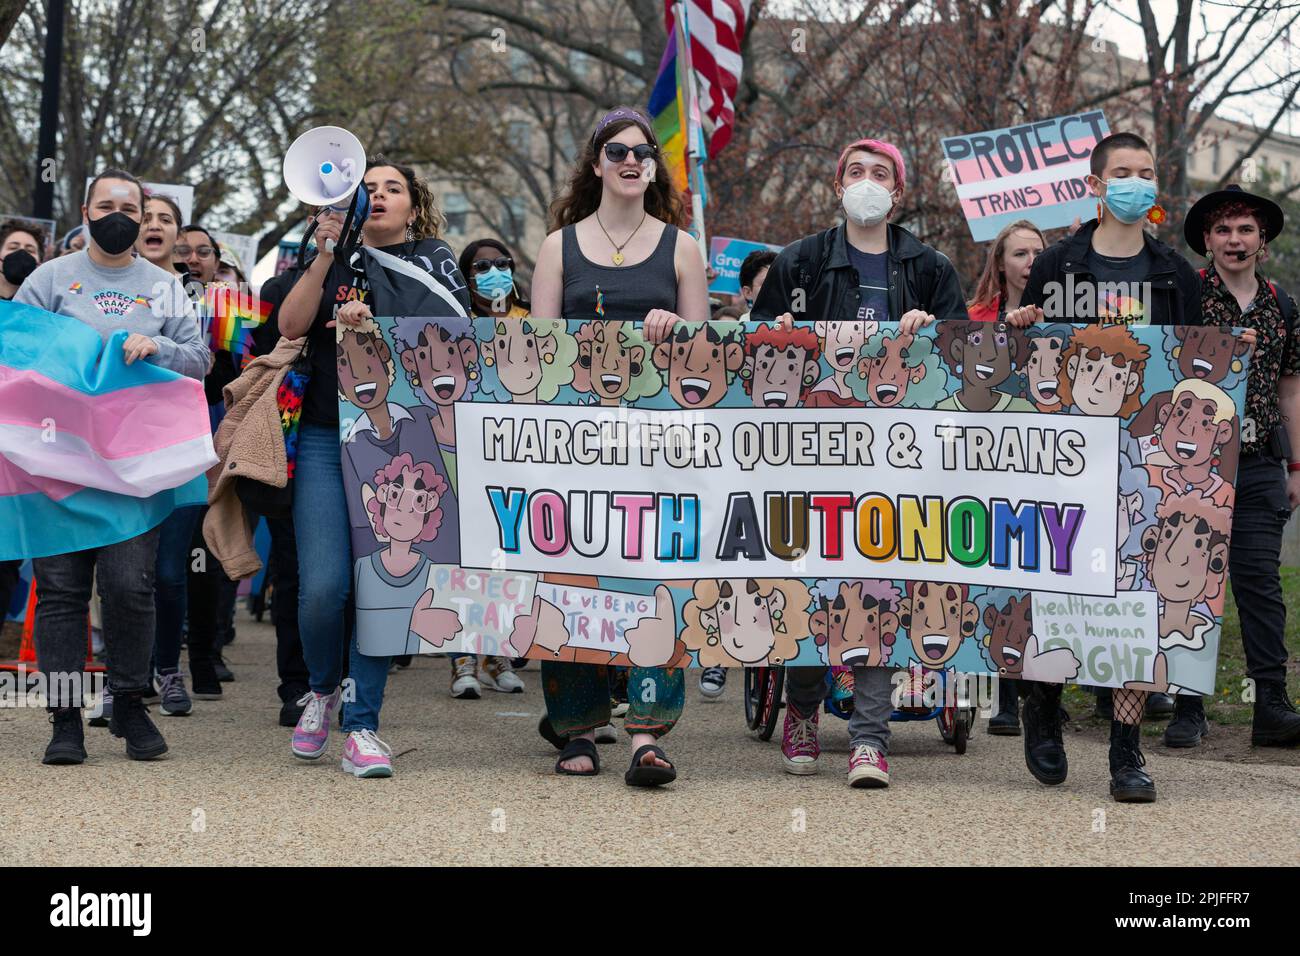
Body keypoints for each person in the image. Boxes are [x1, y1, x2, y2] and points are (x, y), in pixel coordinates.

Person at [750, 136, 962, 787]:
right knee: (813, 588)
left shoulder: (930, 268)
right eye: (855, 171)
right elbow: (760, 352)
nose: (867, 181)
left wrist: (930, 337)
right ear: (838, 184)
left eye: (880, 173)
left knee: (878, 594)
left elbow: (961, 364)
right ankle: (804, 712)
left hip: (898, 467)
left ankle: (870, 738)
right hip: (813, 463)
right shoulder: (801, 263)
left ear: (898, 191)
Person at [1011, 131, 1205, 802]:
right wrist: (1019, 326)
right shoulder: (1059, 264)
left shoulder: (1175, 274)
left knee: (1136, 603)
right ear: (1096, 185)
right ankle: (1043, 712)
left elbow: (1192, 366)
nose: (1135, 183)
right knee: (1056, 590)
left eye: (1146, 173)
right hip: (1063, 464)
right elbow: (1027, 359)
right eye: (1121, 172)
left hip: (1142, 467)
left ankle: (1126, 752)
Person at [274, 155, 470, 777]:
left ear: (414, 205)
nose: (381, 195)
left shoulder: (435, 259)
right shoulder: (332, 258)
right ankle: (322, 689)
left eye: (394, 188)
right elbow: (290, 324)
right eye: (370, 189)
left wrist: (380, 324)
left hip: (398, 449)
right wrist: (327, 254)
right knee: (323, 588)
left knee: (380, 588)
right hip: (328, 441)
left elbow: (455, 341)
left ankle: (362, 728)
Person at [529, 105, 709, 784]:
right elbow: (541, 355)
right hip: (574, 451)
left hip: (661, 450)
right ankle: (576, 727)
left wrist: (679, 331)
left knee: (656, 581)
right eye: (617, 151)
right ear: (597, 163)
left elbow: (705, 367)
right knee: (570, 575)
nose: (633, 161)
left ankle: (646, 733)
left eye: (643, 152)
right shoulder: (558, 247)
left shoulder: (682, 247)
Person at [13, 167, 208, 765]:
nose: (118, 214)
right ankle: (64, 719)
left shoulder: (167, 286)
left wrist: (161, 350)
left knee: (129, 587)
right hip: (57, 464)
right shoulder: (49, 279)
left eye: (130, 205)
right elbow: (11, 351)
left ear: (145, 213)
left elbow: (200, 361)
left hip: (131, 469)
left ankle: (128, 702)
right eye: (107, 204)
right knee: (62, 592)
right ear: (86, 209)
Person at [1165, 183, 1300, 748]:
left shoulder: (1283, 304)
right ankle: (1187, 707)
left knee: (1258, 583)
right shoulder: (1187, 296)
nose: (1235, 240)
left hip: (1262, 460)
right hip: (1197, 463)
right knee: (1192, 582)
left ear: (1262, 240)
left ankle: (1270, 702)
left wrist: (1296, 465)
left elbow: (1291, 386)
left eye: (1246, 230)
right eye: (1224, 230)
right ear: (1206, 241)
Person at [444, 236, 532, 696]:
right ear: (465, 274)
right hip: (464, 449)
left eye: (502, 263)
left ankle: (497, 656)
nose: (494, 271)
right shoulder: (454, 320)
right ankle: (463, 660)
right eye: (482, 266)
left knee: (505, 558)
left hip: (516, 454)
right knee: (466, 557)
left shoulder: (534, 318)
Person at [0, 220, 48, 620]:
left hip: (19, 453)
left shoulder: (46, 315)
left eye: (30, 249)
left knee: (5, 559)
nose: (20, 254)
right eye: (13, 246)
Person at [0, 219, 47, 300]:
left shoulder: (44, 304)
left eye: (30, 250)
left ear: (39, 262)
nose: (22, 252)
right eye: (13, 248)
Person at [737, 248, 776, 322]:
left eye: (779, 282)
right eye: (766, 284)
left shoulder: (800, 324)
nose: (775, 289)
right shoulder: (739, 330)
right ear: (748, 293)